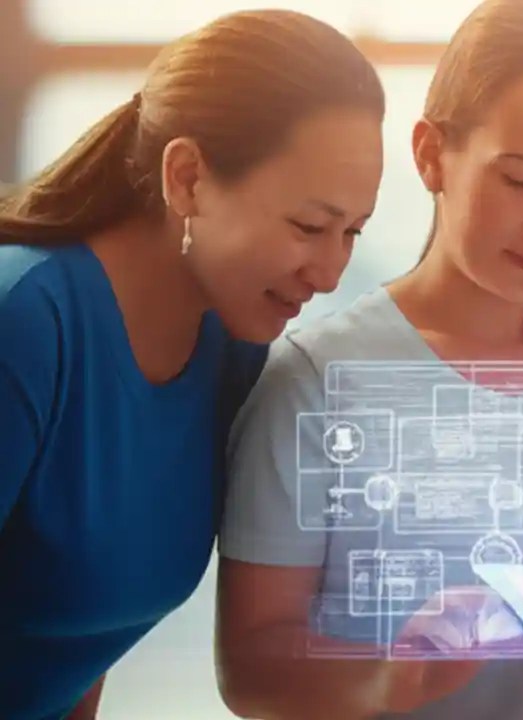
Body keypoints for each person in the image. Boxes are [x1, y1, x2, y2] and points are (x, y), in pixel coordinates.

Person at [213, 1, 523, 718]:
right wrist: (390, 678)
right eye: (522, 180)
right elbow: (252, 666)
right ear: (431, 154)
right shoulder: (318, 382)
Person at [0, 10, 384, 720]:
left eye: (352, 232)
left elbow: (78, 644)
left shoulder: (231, 351)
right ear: (187, 179)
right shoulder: (25, 323)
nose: (332, 272)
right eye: (308, 226)